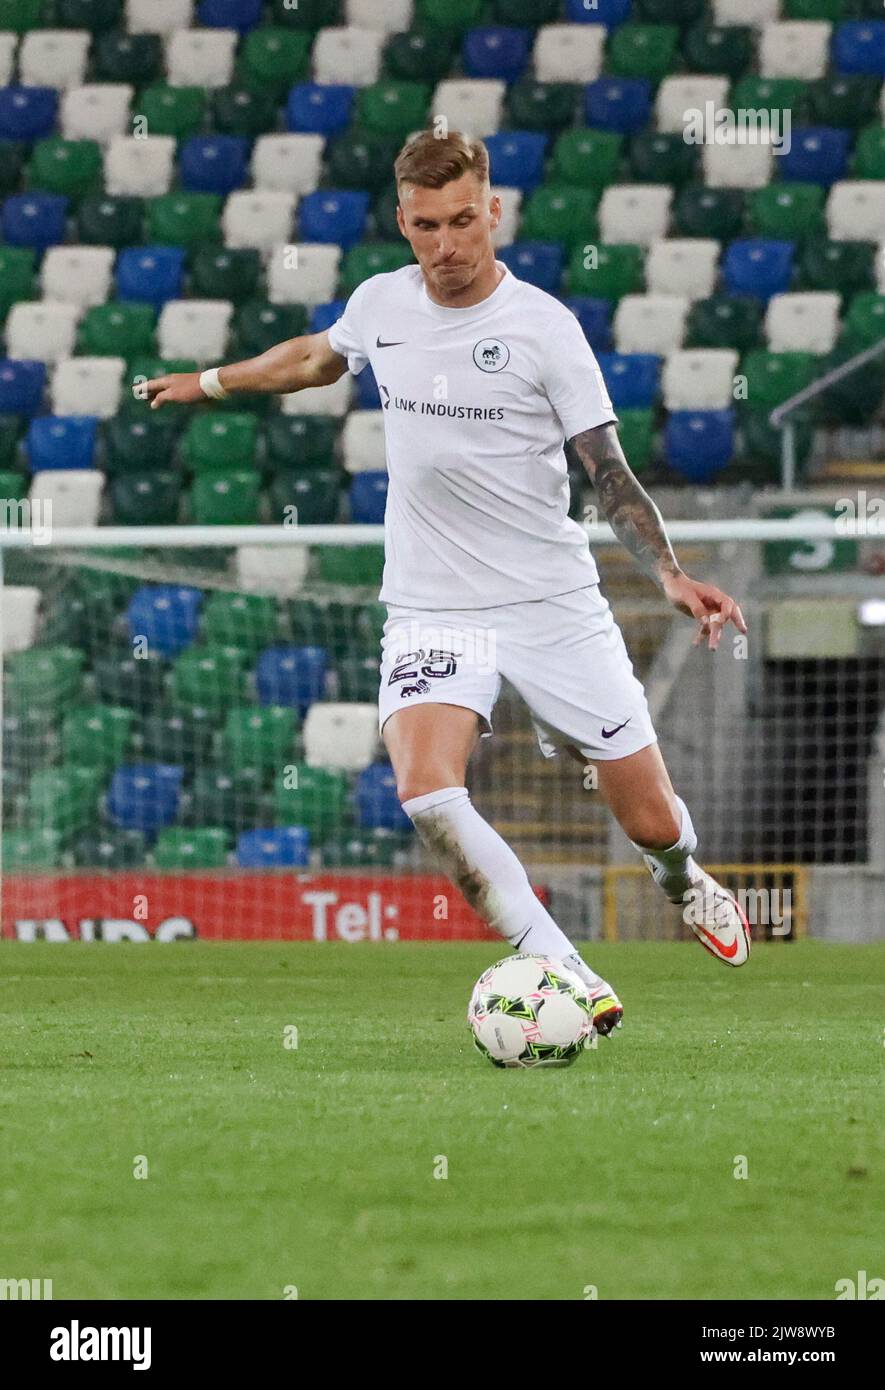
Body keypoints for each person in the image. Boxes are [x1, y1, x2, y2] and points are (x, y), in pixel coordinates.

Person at [144, 129, 751, 1036]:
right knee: (426, 788)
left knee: (652, 820)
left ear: (492, 210)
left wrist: (664, 573)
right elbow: (316, 357)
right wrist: (209, 380)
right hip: (434, 604)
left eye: (463, 220)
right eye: (426, 225)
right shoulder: (382, 302)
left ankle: (680, 878)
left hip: (551, 603)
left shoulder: (544, 328)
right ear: (403, 220)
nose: (446, 245)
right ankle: (558, 964)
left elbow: (607, 469)